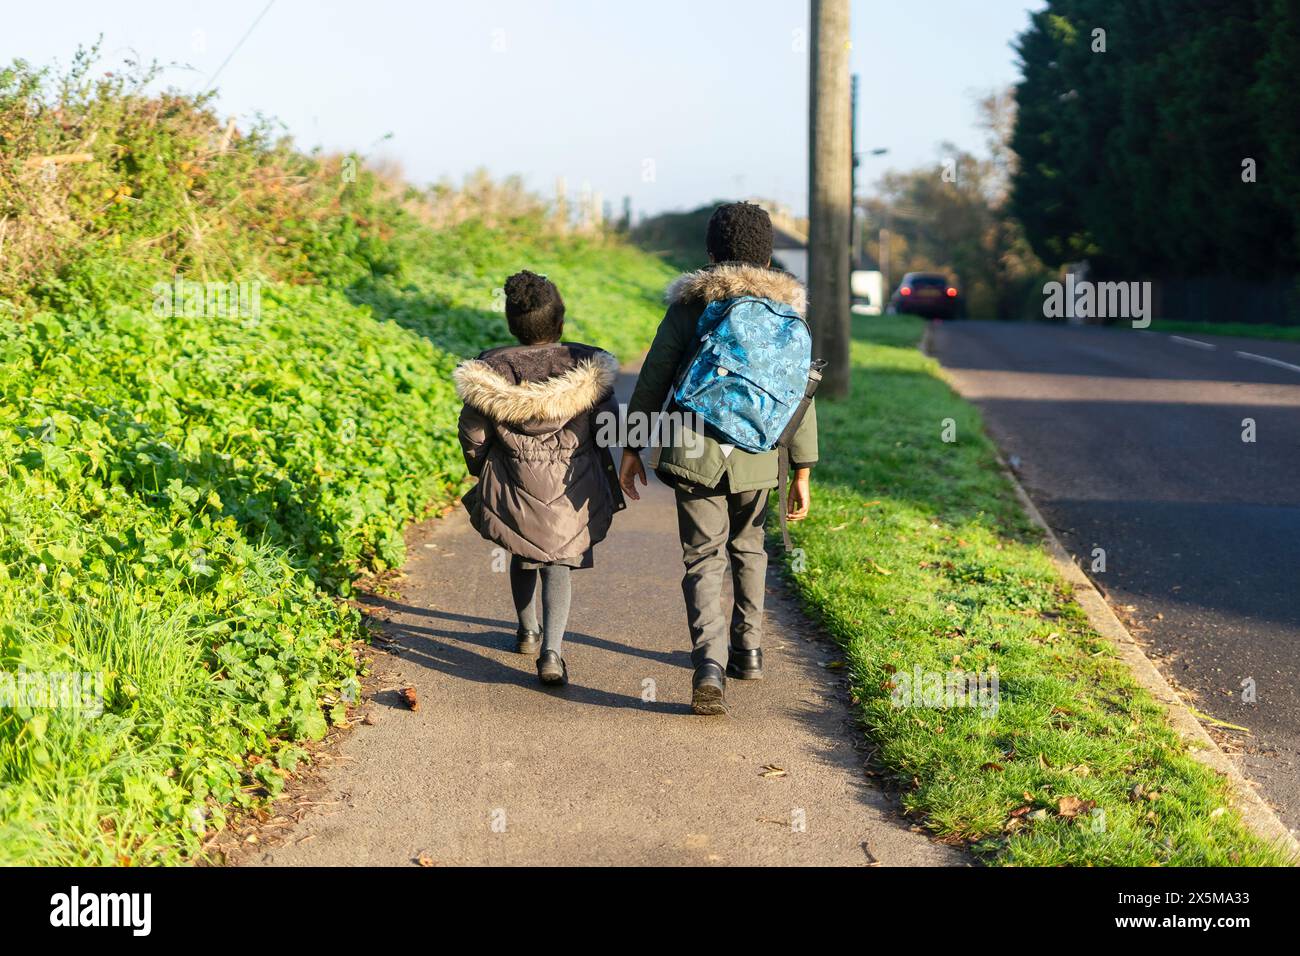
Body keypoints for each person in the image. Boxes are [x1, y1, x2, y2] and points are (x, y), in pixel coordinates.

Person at [621, 202, 818, 715]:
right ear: (769, 258)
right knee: (749, 546)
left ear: (710, 254)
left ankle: (709, 665)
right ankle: (748, 650)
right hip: (759, 451)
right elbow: (799, 392)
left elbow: (655, 375)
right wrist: (802, 468)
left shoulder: (693, 305)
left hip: (695, 445)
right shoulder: (787, 312)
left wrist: (632, 446)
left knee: (703, 557)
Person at [454, 271, 624, 686]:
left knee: (522, 548)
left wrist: (481, 467)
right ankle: (552, 652)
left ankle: (527, 631)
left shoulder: (490, 373)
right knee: (558, 563)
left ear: (512, 324)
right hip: (572, 485)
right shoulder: (588, 371)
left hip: (514, 478)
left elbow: (473, 433)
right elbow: (609, 430)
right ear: (561, 322)